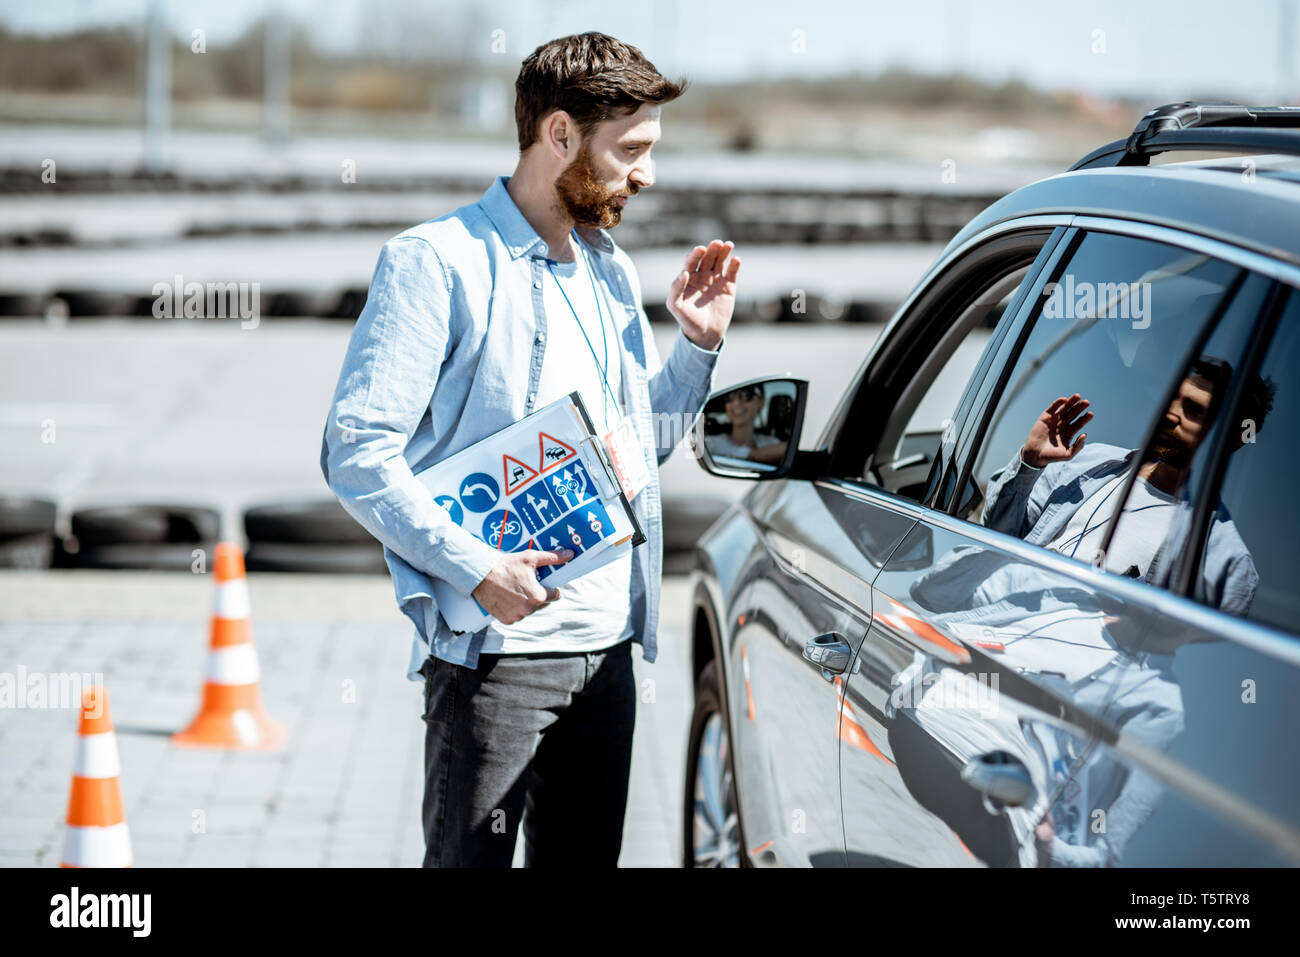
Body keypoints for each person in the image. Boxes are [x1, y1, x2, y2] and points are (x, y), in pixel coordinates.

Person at [319, 32, 742, 867]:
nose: (648, 174)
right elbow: (356, 451)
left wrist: (696, 348)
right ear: (559, 134)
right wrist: (477, 567)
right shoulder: (435, 263)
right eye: (631, 150)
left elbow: (634, 456)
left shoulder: (611, 272)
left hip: (606, 653)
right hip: (494, 664)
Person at [705, 383, 788, 463]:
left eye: (745, 395)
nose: (736, 403)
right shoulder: (711, 444)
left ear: (761, 401)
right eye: (730, 397)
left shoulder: (771, 441)